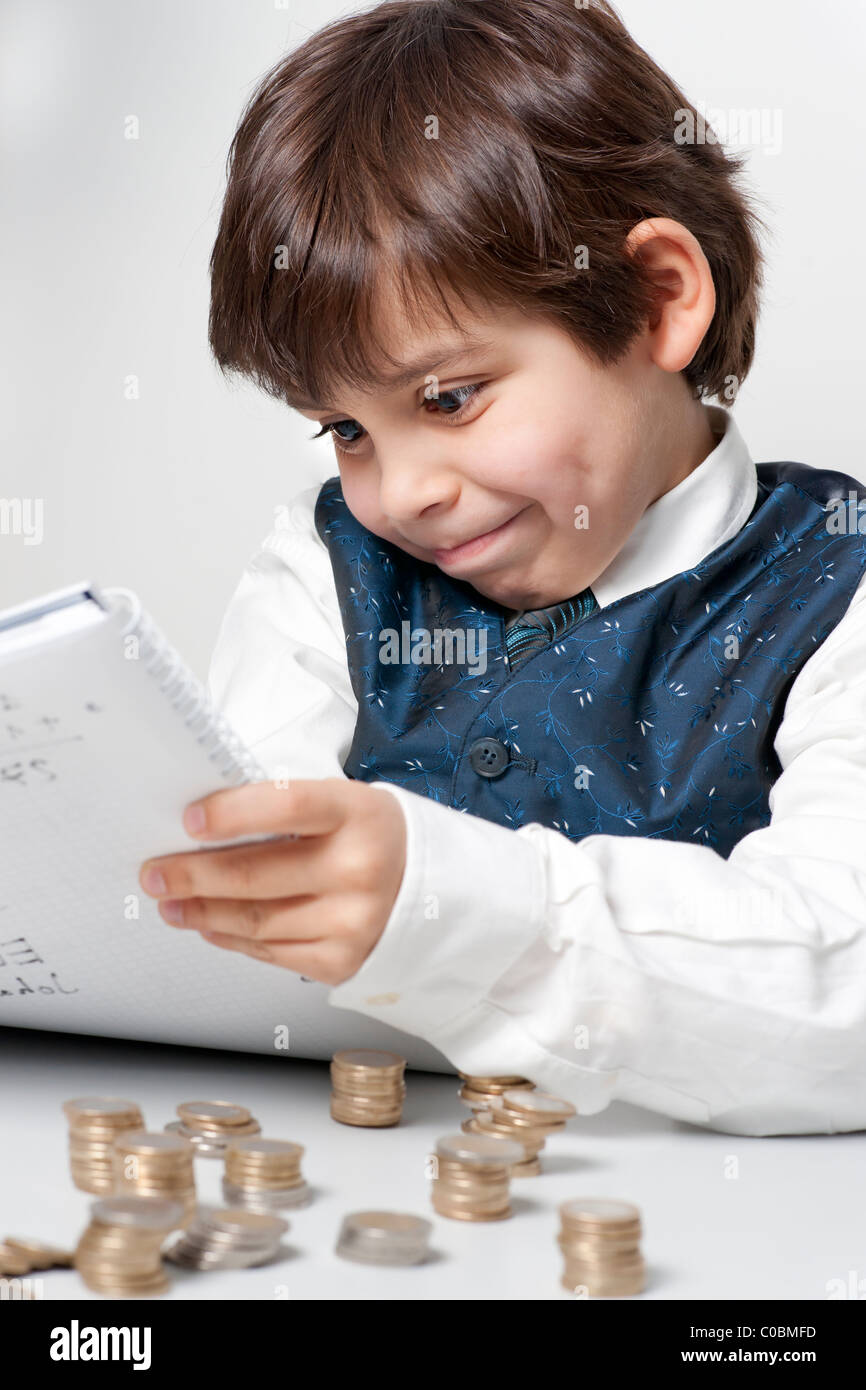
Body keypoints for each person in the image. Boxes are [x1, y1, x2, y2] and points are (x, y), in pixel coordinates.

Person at [139, 0, 866, 1136]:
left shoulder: (836, 588)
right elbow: (226, 926)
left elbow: (846, 1000)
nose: (402, 490)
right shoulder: (326, 566)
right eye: (345, 427)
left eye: (448, 397)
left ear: (656, 298)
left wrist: (451, 907)